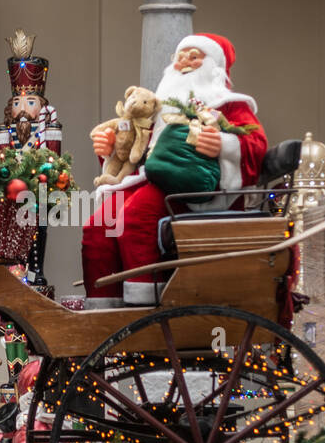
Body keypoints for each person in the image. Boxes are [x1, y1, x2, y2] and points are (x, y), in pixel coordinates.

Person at [80, 33, 267, 305]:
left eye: (194, 56)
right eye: (179, 57)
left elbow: (256, 143)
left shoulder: (228, 103)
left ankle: (142, 305)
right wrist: (112, 149)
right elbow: (139, 154)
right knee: (99, 225)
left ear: (213, 65)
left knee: (135, 218)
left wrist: (222, 144)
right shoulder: (159, 107)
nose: (184, 63)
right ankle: (103, 310)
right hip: (152, 180)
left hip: (195, 192)